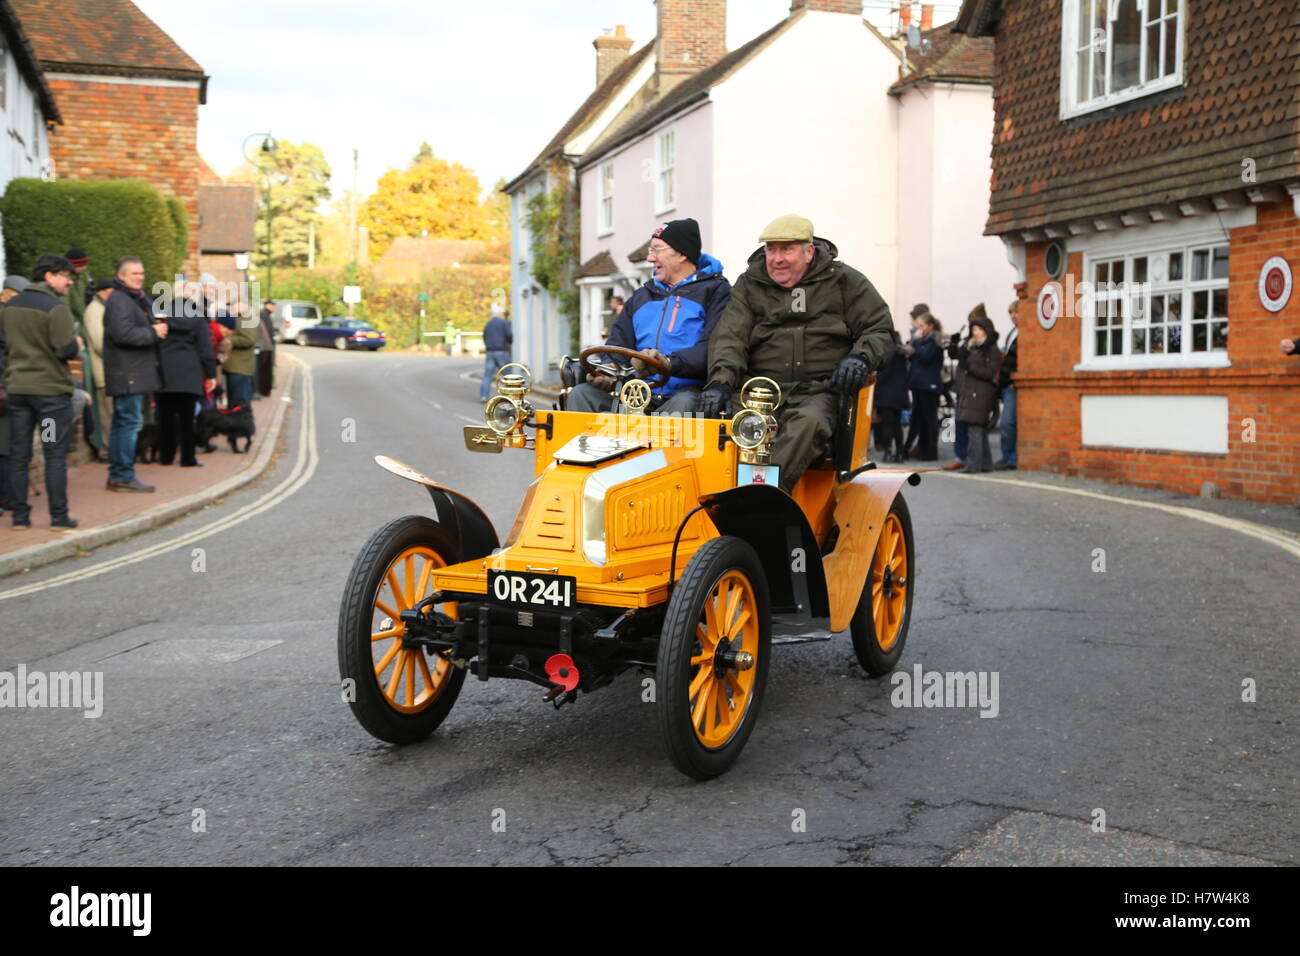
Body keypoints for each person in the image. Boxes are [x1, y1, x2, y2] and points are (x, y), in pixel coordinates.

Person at [703, 214, 895, 492]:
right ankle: (707, 501)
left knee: (808, 423)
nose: (777, 258)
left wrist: (859, 359)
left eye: (786, 249)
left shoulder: (844, 281)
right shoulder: (749, 284)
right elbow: (729, 337)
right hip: (757, 391)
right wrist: (719, 382)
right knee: (708, 421)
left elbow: (879, 329)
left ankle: (766, 499)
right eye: (771, 250)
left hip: (818, 391)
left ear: (809, 252)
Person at [569, 218, 731, 416]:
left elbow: (714, 347)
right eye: (650, 251)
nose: (650, 259)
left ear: (681, 254)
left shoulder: (716, 292)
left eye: (657, 250)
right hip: (636, 393)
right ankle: (590, 447)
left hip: (684, 394)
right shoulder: (641, 296)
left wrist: (668, 363)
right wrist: (608, 367)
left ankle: (664, 448)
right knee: (581, 394)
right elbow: (619, 342)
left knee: (685, 403)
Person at [1, 255, 83, 527]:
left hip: (18, 392)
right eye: (65, 275)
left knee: (19, 453)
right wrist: (77, 343)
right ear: (48, 276)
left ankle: (20, 517)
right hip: (48, 397)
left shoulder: (9, 307)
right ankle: (58, 516)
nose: (69, 281)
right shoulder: (55, 308)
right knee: (53, 453)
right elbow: (65, 349)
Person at [103, 256, 169, 492]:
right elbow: (122, 334)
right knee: (129, 423)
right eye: (134, 274)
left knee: (125, 423)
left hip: (134, 371)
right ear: (121, 276)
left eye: (141, 273)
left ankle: (119, 474)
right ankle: (122, 475)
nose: (140, 277)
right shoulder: (120, 300)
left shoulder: (135, 299)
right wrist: (152, 332)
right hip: (128, 372)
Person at [157, 283, 217, 467]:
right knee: (187, 419)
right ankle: (187, 457)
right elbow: (205, 348)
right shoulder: (198, 316)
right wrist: (211, 374)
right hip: (190, 371)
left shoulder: (162, 313)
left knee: (165, 417)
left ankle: (166, 456)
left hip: (164, 370)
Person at [950, 312, 1002, 473]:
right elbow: (955, 356)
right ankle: (986, 464)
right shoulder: (973, 346)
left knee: (974, 430)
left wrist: (970, 366)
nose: (976, 332)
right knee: (979, 430)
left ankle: (973, 465)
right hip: (972, 391)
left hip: (981, 393)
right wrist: (953, 344)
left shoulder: (991, 349)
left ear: (987, 330)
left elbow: (990, 372)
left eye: (979, 329)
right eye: (974, 329)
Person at [944, 304, 988, 471]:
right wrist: (953, 345)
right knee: (959, 422)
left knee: (970, 425)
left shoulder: (981, 341)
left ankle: (969, 458)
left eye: (973, 323)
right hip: (962, 385)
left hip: (973, 387)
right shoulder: (968, 340)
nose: (971, 327)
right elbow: (956, 355)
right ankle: (961, 457)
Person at [0, 276, 29, 517]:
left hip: (22, 390)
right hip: (12, 390)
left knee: (14, 446)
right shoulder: (6, 316)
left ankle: (12, 498)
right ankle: (10, 498)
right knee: (8, 446)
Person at [904, 312, 943, 461]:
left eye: (921, 326)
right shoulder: (923, 340)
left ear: (930, 326)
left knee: (929, 419)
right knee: (919, 418)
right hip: (918, 384)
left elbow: (926, 357)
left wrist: (916, 342)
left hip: (929, 385)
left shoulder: (935, 339)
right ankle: (921, 449)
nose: (919, 329)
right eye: (917, 326)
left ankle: (931, 451)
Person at [872, 330, 910, 462]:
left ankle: (887, 452)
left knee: (887, 424)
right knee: (897, 425)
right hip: (899, 395)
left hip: (886, 395)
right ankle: (899, 452)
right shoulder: (901, 353)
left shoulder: (887, 354)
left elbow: (883, 375)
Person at [995, 300, 1019, 470]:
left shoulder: (1025, 332)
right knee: (1009, 423)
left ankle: (1010, 458)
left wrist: (1014, 380)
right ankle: (1008, 456)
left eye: (1016, 312)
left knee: (1007, 423)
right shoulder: (1013, 332)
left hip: (1012, 385)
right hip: (1005, 384)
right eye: (1011, 313)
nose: (1013, 316)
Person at [480, 305, 512, 402]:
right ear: (500, 314)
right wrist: (509, 343)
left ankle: (484, 396)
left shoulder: (488, 324)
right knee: (508, 375)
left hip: (490, 351)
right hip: (502, 351)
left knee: (488, 375)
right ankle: (510, 396)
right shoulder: (504, 323)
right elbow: (509, 336)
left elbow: (484, 336)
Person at [256, 299, 276, 397]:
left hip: (267, 346)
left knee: (266, 370)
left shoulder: (266, 315)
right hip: (265, 347)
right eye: (272, 305)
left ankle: (266, 388)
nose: (273, 307)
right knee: (264, 370)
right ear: (266, 305)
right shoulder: (263, 314)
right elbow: (265, 332)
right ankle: (264, 390)